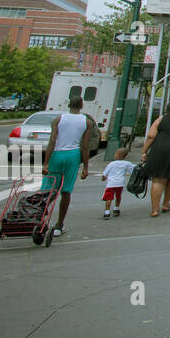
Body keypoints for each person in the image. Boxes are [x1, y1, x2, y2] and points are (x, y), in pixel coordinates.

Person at [40, 96, 97, 238]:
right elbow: (85, 146)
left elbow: (52, 142)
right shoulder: (87, 122)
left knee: (49, 190)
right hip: (73, 156)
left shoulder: (58, 120)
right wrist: (85, 167)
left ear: (69, 104)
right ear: (82, 105)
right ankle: (59, 225)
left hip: (57, 155)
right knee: (66, 191)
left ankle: (38, 218)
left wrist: (46, 163)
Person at [100, 147, 137, 219]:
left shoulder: (111, 164)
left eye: (116, 153)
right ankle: (116, 209)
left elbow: (105, 174)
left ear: (117, 155)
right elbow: (134, 169)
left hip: (111, 184)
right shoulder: (126, 163)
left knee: (109, 198)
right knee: (118, 196)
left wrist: (103, 178)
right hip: (120, 183)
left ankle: (107, 212)